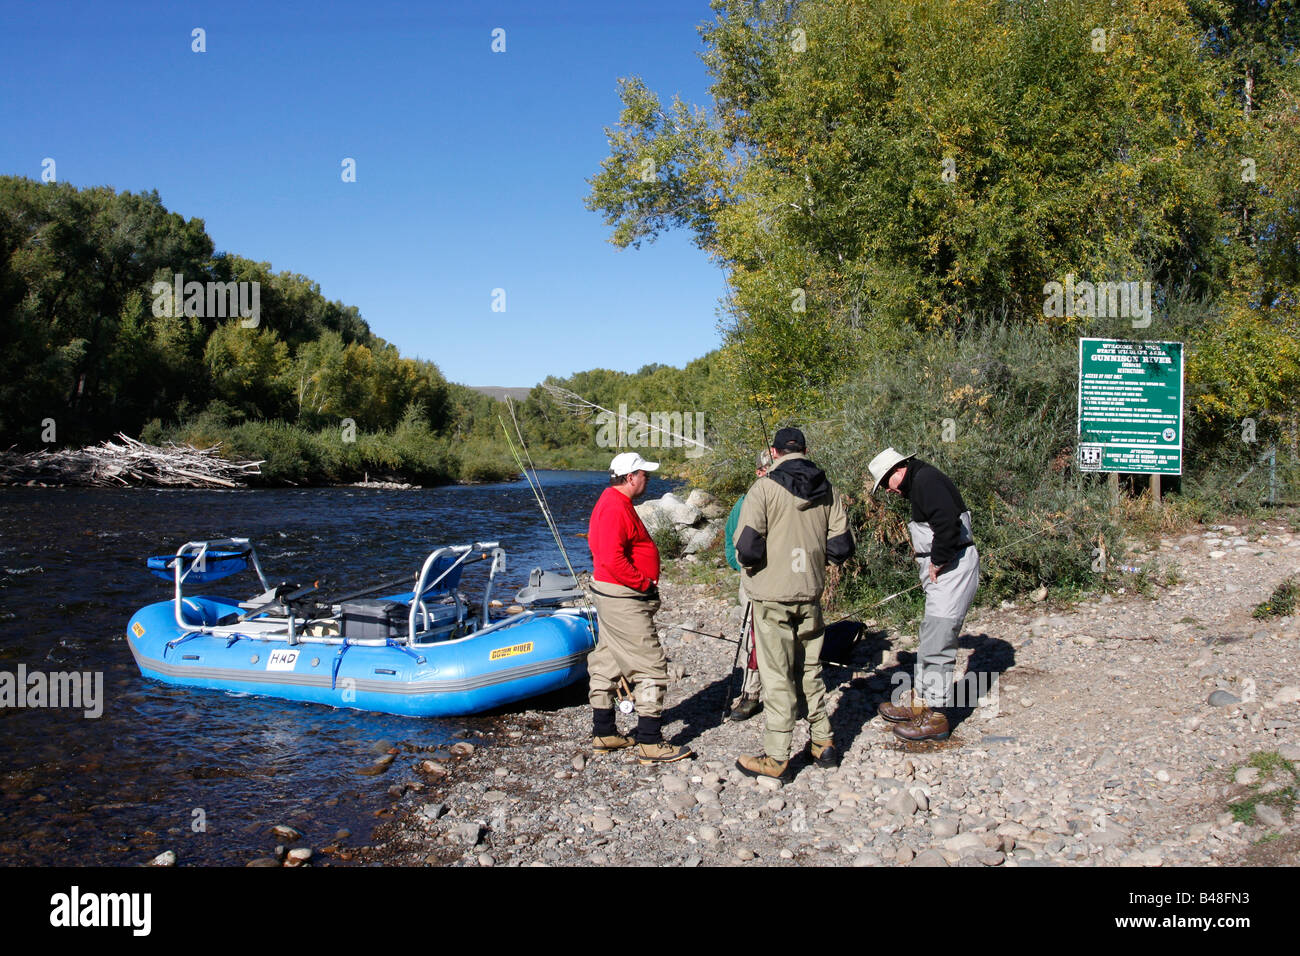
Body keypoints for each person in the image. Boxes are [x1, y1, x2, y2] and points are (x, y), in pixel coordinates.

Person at [732, 428, 855, 779]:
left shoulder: (764, 488)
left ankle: (776, 756)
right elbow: (841, 548)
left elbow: (748, 549)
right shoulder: (828, 490)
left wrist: (760, 567)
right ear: (805, 450)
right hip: (810, 592)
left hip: (772, 597)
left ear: (774, 452)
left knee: (776, 678)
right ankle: (823, 742)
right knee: (811, 672)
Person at [585, 451, 693, 764]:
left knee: (607, 660)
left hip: (616, 595)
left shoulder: (615, 503)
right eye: (644, 474)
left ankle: (604, 732)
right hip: (624, 598)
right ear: (631, 477)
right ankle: (649, 740)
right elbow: (610, 556)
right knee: (651, 665)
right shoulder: (614, 507)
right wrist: (643, 583)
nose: (648, 478)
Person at [867, 447, 980, 742]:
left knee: (938, 639)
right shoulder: (922, 480)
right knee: (930, 636)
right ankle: (921, 705)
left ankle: (936, 717)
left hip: (950, 568)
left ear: (897, 471)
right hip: (946, 568)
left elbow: (947, 524)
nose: (888, 492)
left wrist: (937, 561)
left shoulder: (926, 481)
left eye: (885, 484)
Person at [723, 448, 774, 721]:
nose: (773, 475)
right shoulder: (744, 502)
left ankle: (785, 691)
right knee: (753, 639)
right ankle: (750, 694)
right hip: (752, 580)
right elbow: (730, 544)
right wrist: (743, 568)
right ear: (758, 472)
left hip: (781, 581)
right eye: (768, 470)